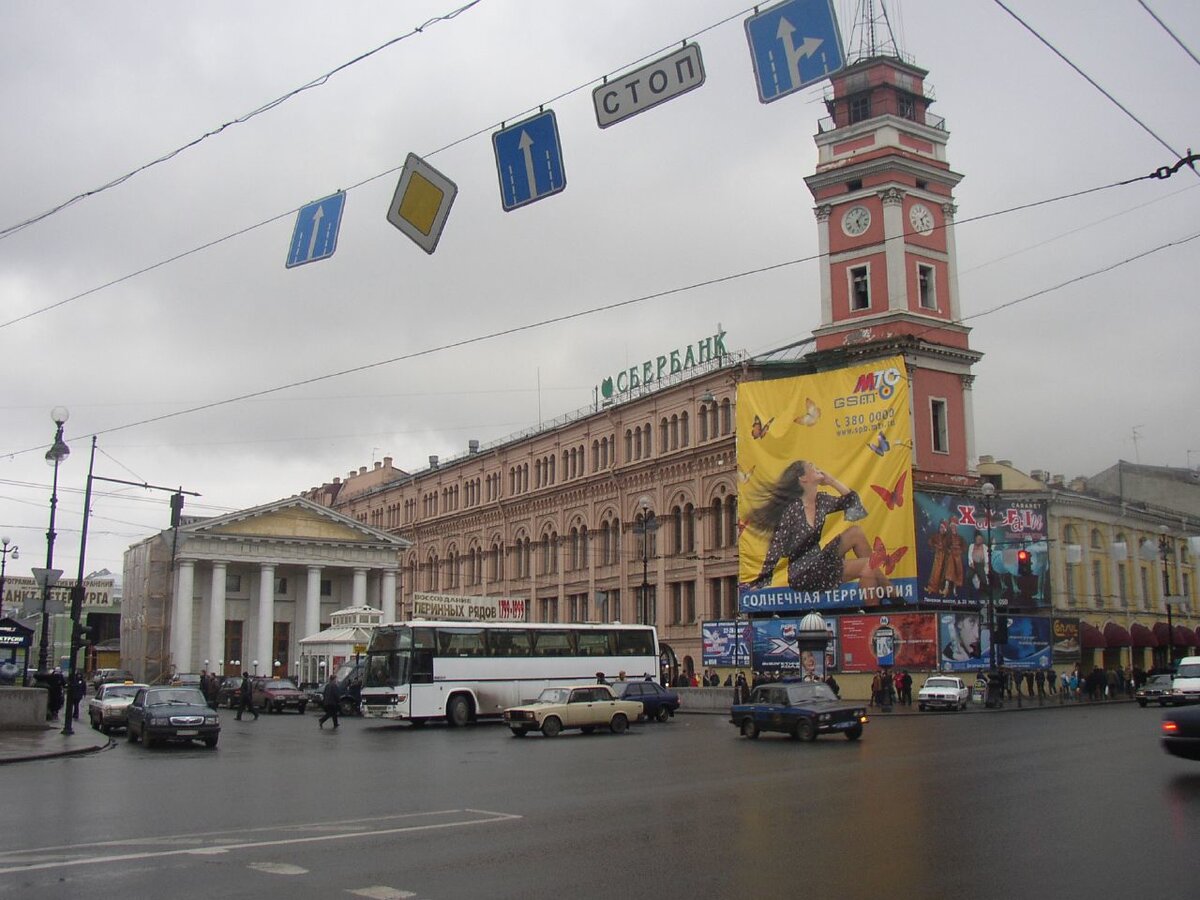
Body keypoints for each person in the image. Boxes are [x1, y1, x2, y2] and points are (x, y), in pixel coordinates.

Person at [741, 461, 891, 603]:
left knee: (856, 532)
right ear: (803, 478)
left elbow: (852, 503)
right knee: (868, 566)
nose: (817, 468)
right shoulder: (792, 510)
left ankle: (886, 589)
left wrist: (832, 481)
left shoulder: (821, 501)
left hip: (820, 560)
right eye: (811, 466)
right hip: (803, 573)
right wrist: (762, 580)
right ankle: (880, 609)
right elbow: (776, 546)